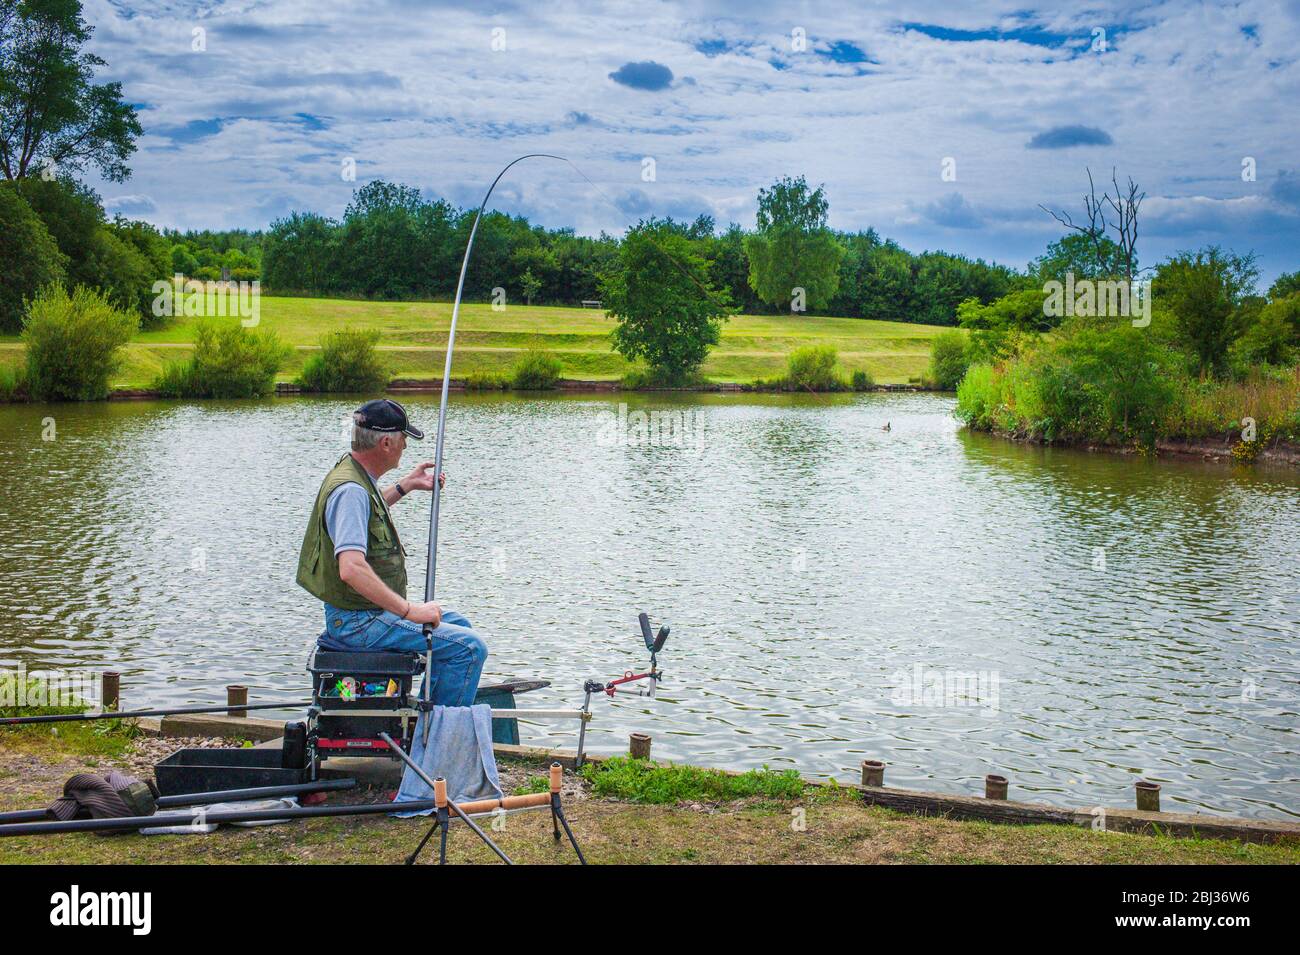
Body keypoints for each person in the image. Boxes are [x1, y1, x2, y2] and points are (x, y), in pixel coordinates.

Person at [296, 398, 487, 706]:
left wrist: (406, 485)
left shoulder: (355, 477)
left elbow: (365, 514)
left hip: (362, 614)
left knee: (460, 626)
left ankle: (428, 714)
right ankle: (434, 740)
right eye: (403, 440)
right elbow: (351, 568)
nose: (405, 448)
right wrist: (410, 611)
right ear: (386, 442)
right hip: (359, 623)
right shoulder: (351, 491)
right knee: (469, 648)